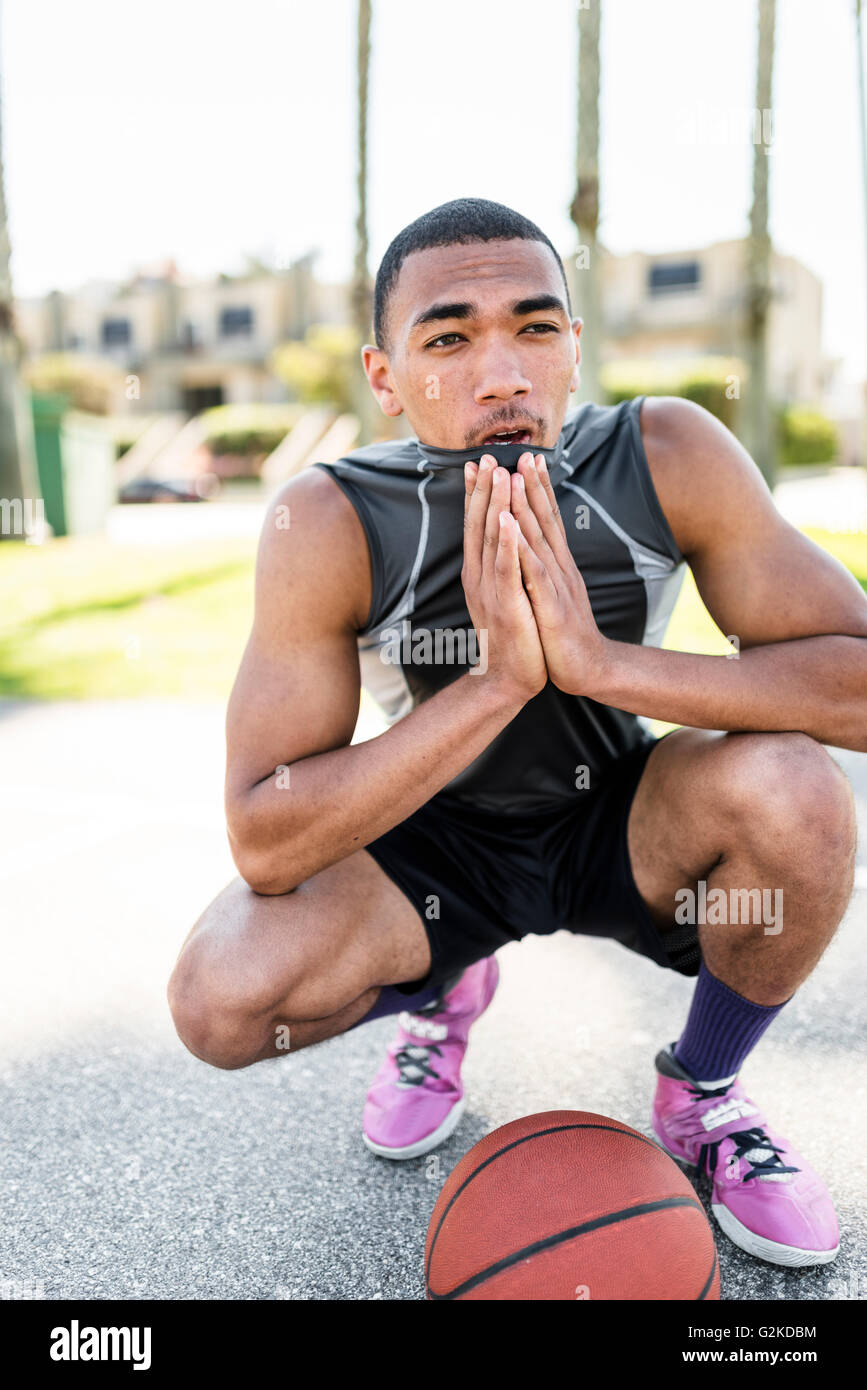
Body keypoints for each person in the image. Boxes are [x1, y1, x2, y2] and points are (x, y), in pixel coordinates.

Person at [168, 198, 866, 1268]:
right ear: (385, 378)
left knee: (796, 789)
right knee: (220, 1000)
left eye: (536, 328)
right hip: (435, 849)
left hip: (624, 829)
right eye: (448, 339)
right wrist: (495, 684)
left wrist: (604, 666)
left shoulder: (666, 450)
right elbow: (267, 837)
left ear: (575, 351)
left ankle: (705, 1093)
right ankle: (443, 993)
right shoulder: (326, 521)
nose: (503, 374)